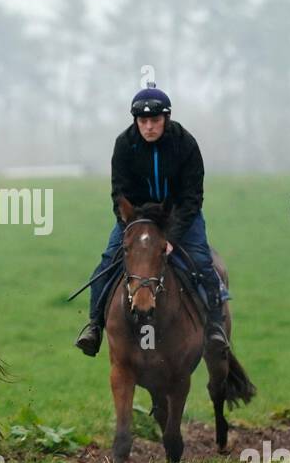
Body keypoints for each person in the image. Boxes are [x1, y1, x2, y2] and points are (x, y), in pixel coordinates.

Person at [75, 82, 229, 356]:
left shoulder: (186, 144)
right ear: (135, 121)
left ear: (166, 119)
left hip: (180, 216)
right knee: (106, 264)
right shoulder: (124, 144)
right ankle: (94, 326)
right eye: (143, 120)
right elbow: (119, 193)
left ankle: (216, 328)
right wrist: (132, 226)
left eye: (155, 120)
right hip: (136, 219)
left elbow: (193, 196)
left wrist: (171, 237)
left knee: (204, 264)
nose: (148, 126)